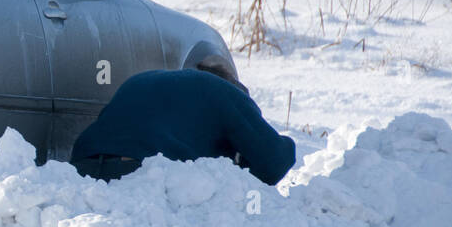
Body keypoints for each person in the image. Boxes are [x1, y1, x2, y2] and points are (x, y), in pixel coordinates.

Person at [70, 56, 295, 185]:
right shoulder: (228, 93)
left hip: (81, 173)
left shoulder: (144, 80)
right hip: (140, 174)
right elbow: (273, 162)